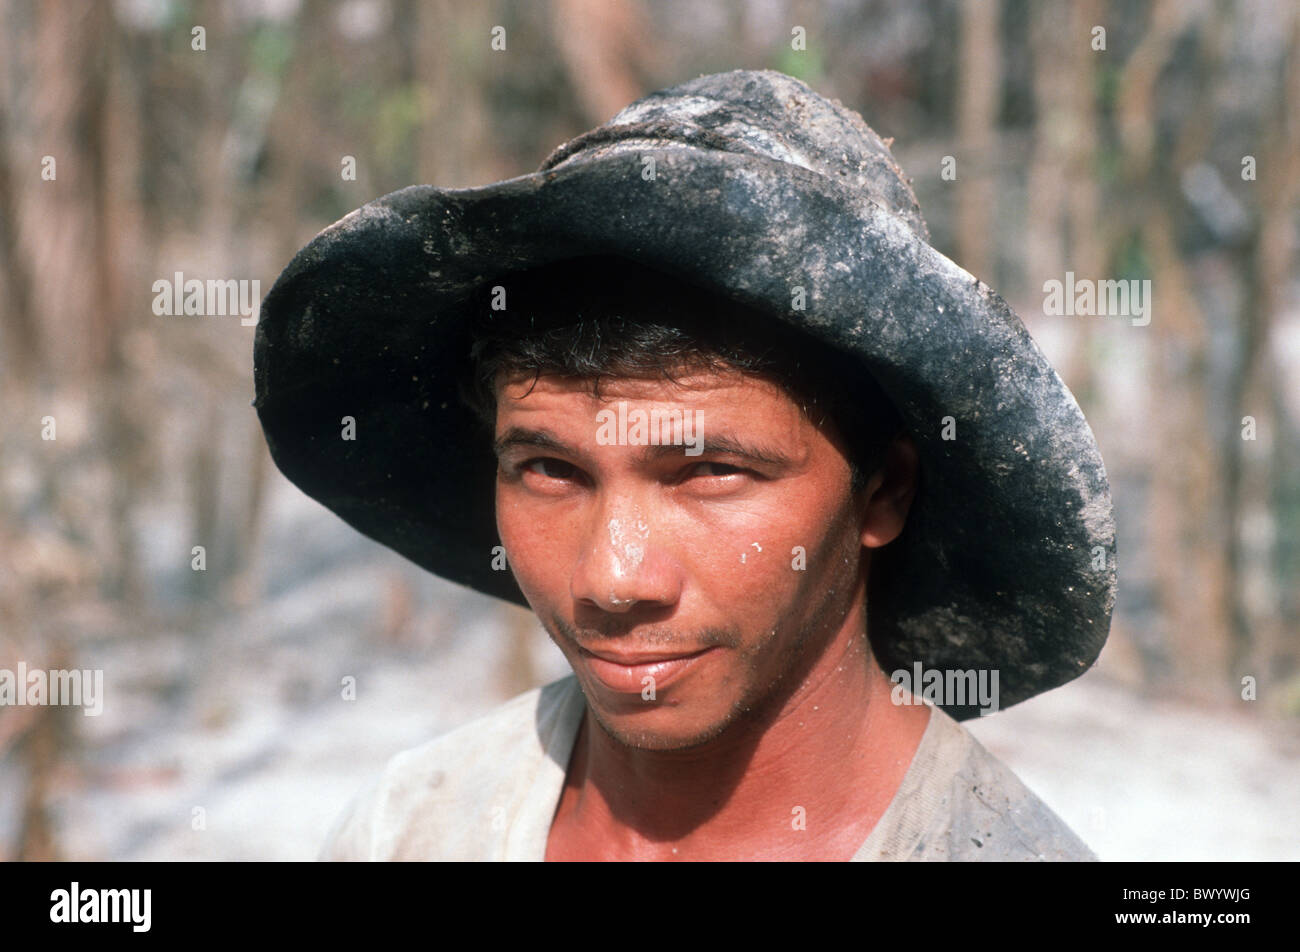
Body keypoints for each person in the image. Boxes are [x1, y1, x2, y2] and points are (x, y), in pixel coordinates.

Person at [253, 70, 1117, 861]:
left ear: (882, 490)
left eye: (708, 472)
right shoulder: (413, 829)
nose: (612, 578)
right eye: (551, 469)